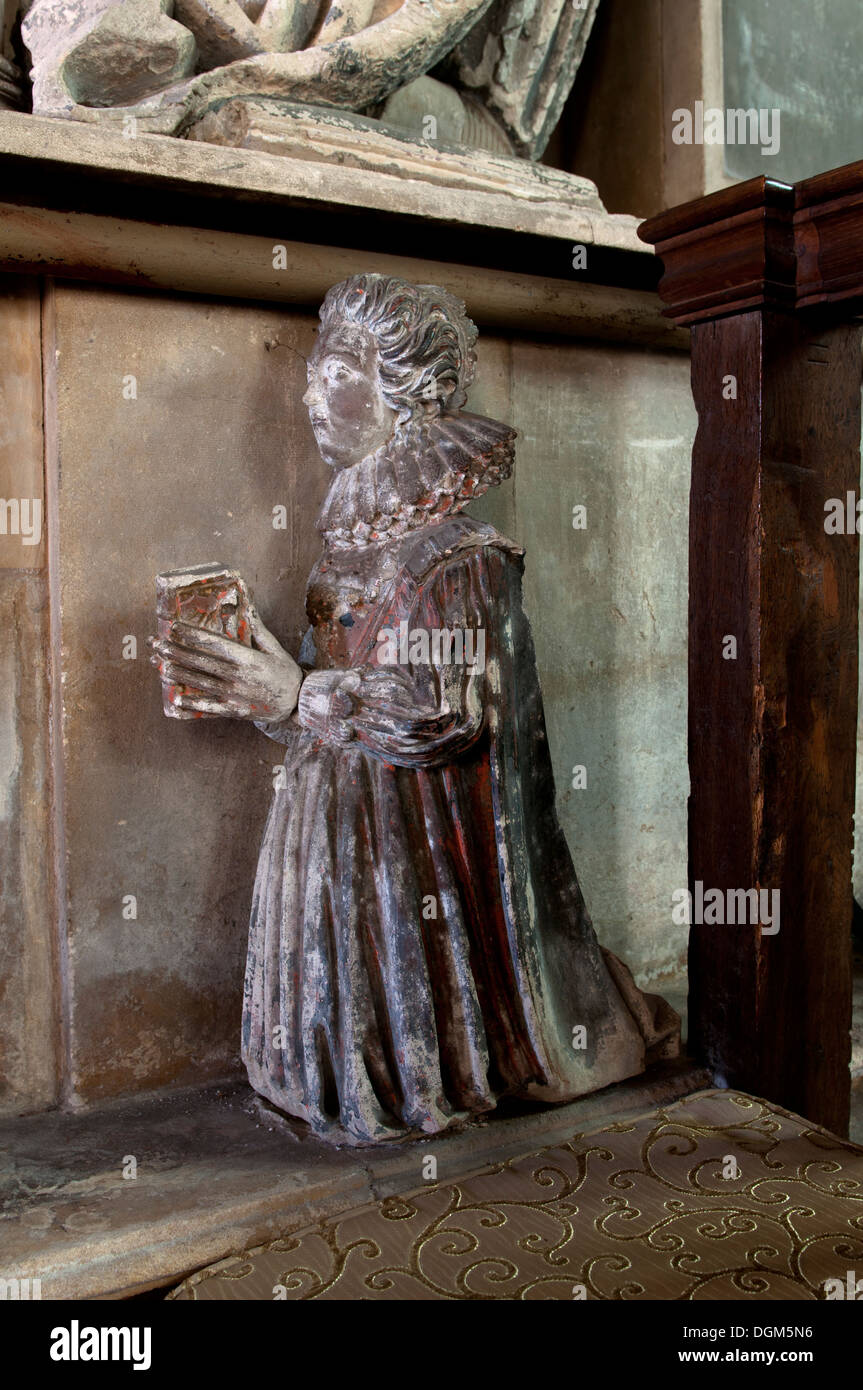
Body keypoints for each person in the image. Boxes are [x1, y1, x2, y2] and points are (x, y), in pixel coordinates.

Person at [150, 273, 679, 1144]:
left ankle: (431, 1070)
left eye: (339, 373)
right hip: (333, 801)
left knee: (401, 957)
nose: (312, 394)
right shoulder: (354, 543)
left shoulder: (459, 554)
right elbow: (328, 686)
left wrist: (297, 692)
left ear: (412, 393)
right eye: (313, 373)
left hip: (412, 823)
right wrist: (259, 684)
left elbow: (441, 712)